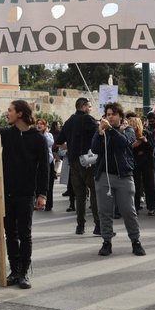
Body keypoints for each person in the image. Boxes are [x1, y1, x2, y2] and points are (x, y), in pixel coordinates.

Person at [0, 100, 50, 288]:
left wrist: (42, 194)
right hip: (7, 192)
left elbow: (44, 169)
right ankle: (14, 270)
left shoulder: (38, 138)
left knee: (25, 233)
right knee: (10, 233)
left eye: (10, 110)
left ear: (20, 113)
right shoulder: (5, 134)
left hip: (27, 192)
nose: (7, 113)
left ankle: (23, 272)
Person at [91, 103, 147, 257]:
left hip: (124, 176)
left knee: (128, 211)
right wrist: (99, 133)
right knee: (104, 211)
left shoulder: (128, 130)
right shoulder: (102, 131)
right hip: (103, 176)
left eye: (114, 114)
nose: (110, 117)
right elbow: (95, 149)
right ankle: (106, 241)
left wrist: (112, 131)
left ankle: (135, 241)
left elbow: (125, 144)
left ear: (120, 117)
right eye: (108, 114)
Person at [60, 97, 100, 235]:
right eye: (89, 106)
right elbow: (99, 133)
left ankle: (80, 226)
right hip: (88, 161)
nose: (90, 108)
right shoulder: (88, 119)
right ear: (83, 107)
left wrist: (71, 144)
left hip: (73, 161)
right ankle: (98, 226)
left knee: (80, 195)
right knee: (94, 193)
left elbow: (59, 140)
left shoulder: (69, 121)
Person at [130, 115, 155, 217]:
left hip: (147, 163)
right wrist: (133, 146)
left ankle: (151, 207)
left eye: (134, 123)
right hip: (135, 163)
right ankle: (135, 207)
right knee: (135, 186)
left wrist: (145, 141)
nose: (132, 125)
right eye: (131, 123)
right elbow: (127, 148)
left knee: (149, 185)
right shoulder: (129, 134)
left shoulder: (146, 133)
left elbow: (151, 147)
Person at [35, 118, 56, 211]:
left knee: (49, 184)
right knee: (37, 183)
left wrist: (44, 133)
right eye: (38, 124)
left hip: (49, 162)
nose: (39, 125)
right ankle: (37, 203)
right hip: (37, 163)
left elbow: (50, 143)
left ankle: (48, 204)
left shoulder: (48, 135)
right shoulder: (34, 135)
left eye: (41, 124)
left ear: (45, 126)